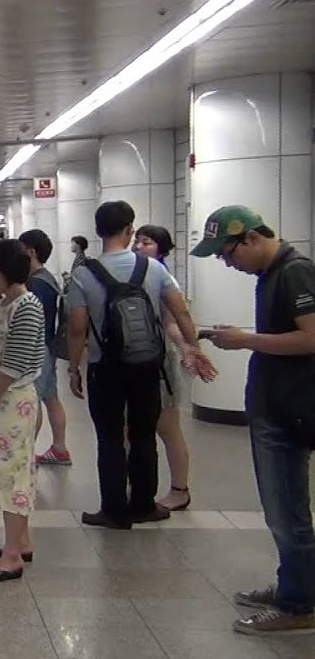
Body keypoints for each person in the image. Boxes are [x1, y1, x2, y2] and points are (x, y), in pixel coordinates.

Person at [195, 205, 315, 635]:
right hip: (273, 406)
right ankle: (294, 585)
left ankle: (300, 605)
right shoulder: (272, 274)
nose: (228, 264)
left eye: (227, 255)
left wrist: (247, 340)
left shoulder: (296, 272)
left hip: (288, 412)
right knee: (279, 509)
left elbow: (311, 336)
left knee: (288, 512)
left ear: (248, 238)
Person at [65, 201, 212, 530]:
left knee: (110, 436)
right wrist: (193, 347)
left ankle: (114, 510)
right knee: (144, 434)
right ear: (129, 229)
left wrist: (74, 367)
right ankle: (145, 505)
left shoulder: (83, 274)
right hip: (147, 365)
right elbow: (181, 312)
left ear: (98, 231)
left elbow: (77, 327)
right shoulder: (153, 269)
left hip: (105, 368)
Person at [0, 240, 45, 583]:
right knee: (13, 472)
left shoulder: (27, 307)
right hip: (2, 397)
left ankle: (12, 556)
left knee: (11, 476)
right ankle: (20, 542)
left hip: (13, 401)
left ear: (8, 271)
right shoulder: (7, 303)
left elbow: (13, 364)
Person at [133, 225, 194, 511]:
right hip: (135, 360)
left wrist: (187, 350)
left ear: (161, 248)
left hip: (159, 361)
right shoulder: (138, 273)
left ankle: (180, 489)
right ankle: (137, 485)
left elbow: (172, 320)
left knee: (167, 427)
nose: (139, 247)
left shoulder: (162, 276)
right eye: (138, 242)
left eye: (147, 243)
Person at [18, 229, 72, 466]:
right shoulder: (48, 279)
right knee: (51, 397)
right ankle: (59, 447)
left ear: (30, 252)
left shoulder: (35, 284)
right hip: (48, 347)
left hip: (36, 350)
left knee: (34, 401)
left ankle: (26, 454)